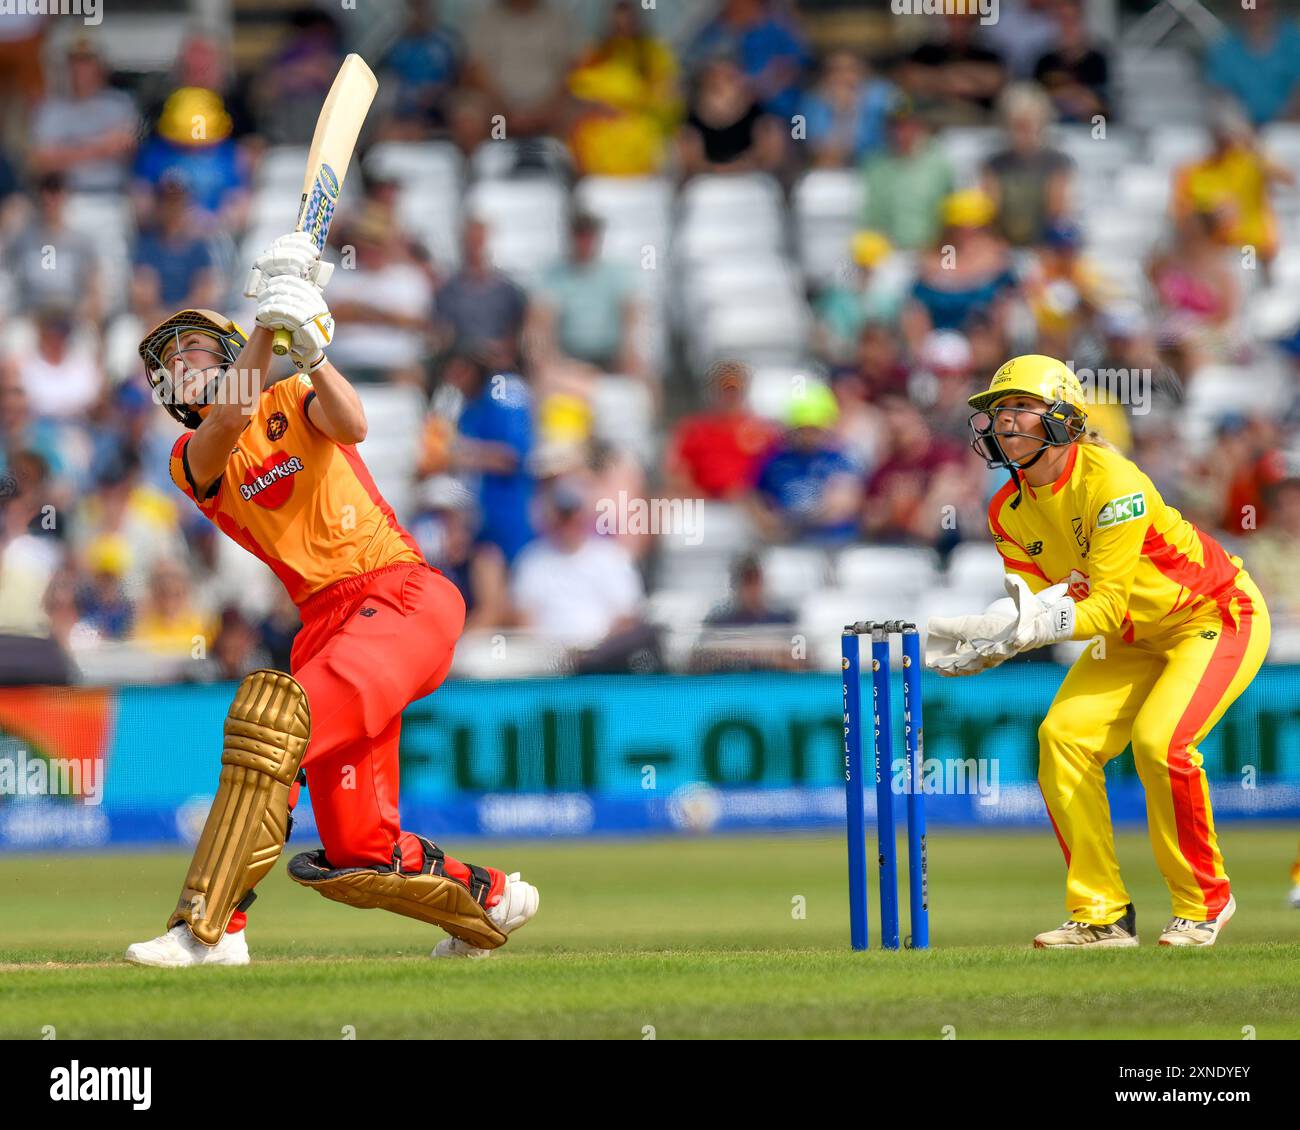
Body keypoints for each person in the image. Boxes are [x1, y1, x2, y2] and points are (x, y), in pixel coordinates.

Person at [124, 230, 539, 968]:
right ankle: (491, 897)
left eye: (190, 355)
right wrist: (268, 323)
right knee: (358, 850)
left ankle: (209, 932)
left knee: (272, 725)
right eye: (168, 370)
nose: (180, 374)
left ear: (224, 352)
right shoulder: (192, 461)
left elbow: (353, 424)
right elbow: (228, 421)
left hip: (402, 595)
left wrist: (308, 350)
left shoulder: (290, 393)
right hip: (326, 627)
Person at [926, 355, 1271, 948]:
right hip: (1132, 640)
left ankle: (1203, 902)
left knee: (1161, 743)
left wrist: (1025, 631)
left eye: (1020, 410)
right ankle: (1101, 915)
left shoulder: (1114, 483)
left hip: (1210, 614)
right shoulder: (1005, 509)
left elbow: (1102, 608)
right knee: (1062, 739)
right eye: (998, 412)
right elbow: (1038, 602)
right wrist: (993, 635)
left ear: (1061, 420)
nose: (1004, 424)